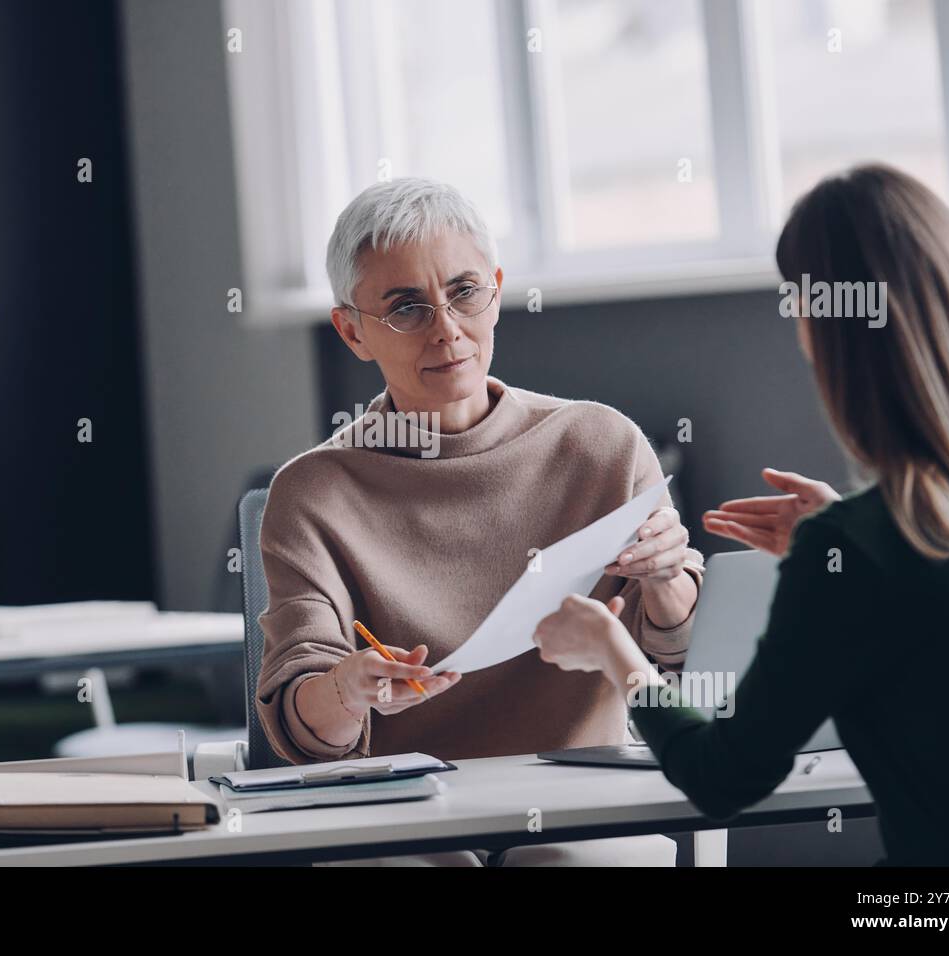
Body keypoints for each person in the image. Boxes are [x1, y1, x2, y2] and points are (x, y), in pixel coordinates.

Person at [532, 164, 949, 865]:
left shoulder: (857, 549)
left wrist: (616, 657)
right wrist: (843, 539)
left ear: (833, 334)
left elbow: (722, 777)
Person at [256, 178, 703, 865]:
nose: (447, 329)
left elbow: (679, 672)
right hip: (408, 816)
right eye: (405, 307)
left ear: (495, 287)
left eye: (464, 292)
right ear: (352, 330)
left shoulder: (602, 445)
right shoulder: (313, 491)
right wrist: (346, 687)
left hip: (581, 802)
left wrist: (670, 579)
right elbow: (303, 732)